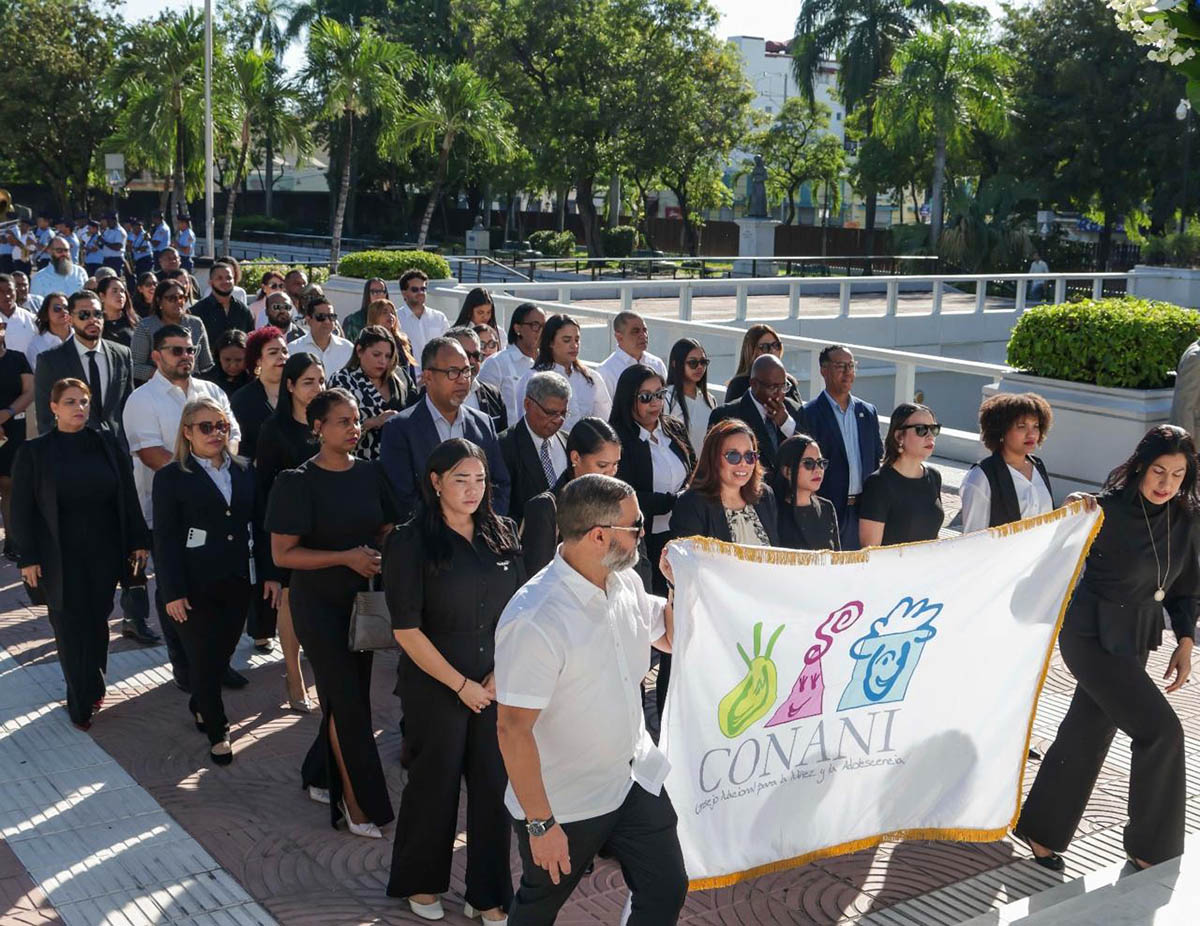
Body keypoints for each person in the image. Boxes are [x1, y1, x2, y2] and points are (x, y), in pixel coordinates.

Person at [495, 474, 687, 924]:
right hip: (566, 802)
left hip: (632, 780)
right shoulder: (536, 618)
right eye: (635, 525)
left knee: (665, 887)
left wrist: (676, 583)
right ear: (600, 535)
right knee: (537, 913)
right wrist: (541, 825)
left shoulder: (626, 583)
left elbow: (672, 638)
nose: (643, 531)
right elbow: (512, 729)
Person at [1015, 425, 1198, 872]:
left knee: (1088, 728)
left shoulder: (1186, 518)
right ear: (1139, 466)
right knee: (1162, 732)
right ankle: (1150, 848)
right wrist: (1072, 514)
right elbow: (1055, 545)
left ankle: (1042, 830)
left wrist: (1186, 642)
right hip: (1091, 636)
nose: (1165, 484)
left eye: (1177, 475)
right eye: (1158, 471)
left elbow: (1186, 587)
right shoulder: (1102, 511)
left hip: (1137, 635)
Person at [385, 439, 523, 922]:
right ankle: (421, 883)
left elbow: (520, 614)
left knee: (493, 790)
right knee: (433, 786)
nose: (472, 489)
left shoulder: (502, 533)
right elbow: (406, 629)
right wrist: (462, 686)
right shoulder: (408, 541)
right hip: (435, 686)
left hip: (496, 685)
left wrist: (498, 675)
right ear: (436, 482)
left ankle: (487, 894)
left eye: (480, 479)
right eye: (460, 479)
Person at [266, 388, 397, 837]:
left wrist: (381, 550)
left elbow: (386, 524)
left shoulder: (370, 473)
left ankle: (319, 774)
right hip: (318, 606)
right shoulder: (297, 482)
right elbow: (283, 555)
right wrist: (345, 557)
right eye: (342, 421)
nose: (353, 428)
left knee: (351, 697)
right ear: (317, 427)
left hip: (361, 603)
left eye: (356, 419)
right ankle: (358, 805)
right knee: (348, 703)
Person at [11, 378, 150, 730]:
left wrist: (138, 539)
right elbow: (21, 509)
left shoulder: (105, 444)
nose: (79, 408)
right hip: (58, 555)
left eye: (84, 401)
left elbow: (128, 496)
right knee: (69, 625)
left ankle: (94, 681)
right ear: (53, 408)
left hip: (104, 551)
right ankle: (80, 698)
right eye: (70, 402)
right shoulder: (35, 452)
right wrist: (28, 557)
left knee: (98, 620)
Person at [152, 398, 275, 765]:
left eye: (221, 425)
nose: (215, 433)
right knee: (204, 658)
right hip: (192, 586)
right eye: (205, 426)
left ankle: (199, 703)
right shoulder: (170, 477)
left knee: (220, 654)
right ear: (187, 433)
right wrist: (172, 591)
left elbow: (261, 525)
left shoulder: (245, 470)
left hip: (238, 581)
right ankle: (219, 729)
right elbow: (166, 539)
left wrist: (269, 575)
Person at [123, 325, 243, 691]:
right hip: (167, 512)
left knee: (220, 589)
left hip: (219, 511)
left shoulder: (213, 391)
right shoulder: (142, 399)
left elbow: (232, 438)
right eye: (176, 350)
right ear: (156, 356)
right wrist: (202, 482)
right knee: (174, 589)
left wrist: (219, 477)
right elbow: (151, 454)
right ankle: (185, 666)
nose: (185, 356)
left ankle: (218, 663)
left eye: (190, 350)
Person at [665, 419, 778, 716]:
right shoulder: (692, 504)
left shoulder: (765, 497)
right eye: (733, 456)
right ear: (714, 458)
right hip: (717, 628)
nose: (743, 464)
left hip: (762, 623)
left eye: (750, 456)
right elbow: (690, 573)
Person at [256, 353, 323, 712]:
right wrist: (269, 560)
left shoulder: (326, 423)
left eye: (321, 381)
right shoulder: (274, 429)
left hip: (325, 529)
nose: (317, 389)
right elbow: (263, 491)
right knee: (288, 604)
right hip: (287, 532)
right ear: (291, 386)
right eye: (309, 382)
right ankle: (294, 679)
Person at [381, 336, 511, 520]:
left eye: (466, 371)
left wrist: (479, 526)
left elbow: (499, 485)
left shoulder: (483, 424)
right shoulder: (400, 429)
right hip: (428, 539)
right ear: (428, 377)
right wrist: (449, 527)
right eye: (452, 372)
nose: (462, 380)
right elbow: (402, 498)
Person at [521, 417, 647, 582]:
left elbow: (641, 565)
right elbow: (539, 579)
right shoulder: (545, 508)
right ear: (575, 458)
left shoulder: (625, 500)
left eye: (615, 464)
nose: (611, 473)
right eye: (602, 465)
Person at [610, 363, 694, 596]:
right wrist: (675, 501)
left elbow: (694, 469)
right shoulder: (617, 439)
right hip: (645, 540)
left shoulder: (674, 428)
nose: (656, 403)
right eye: (646, 397)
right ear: (629, 399)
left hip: (683, 533)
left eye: (660, 394)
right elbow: (628, 495)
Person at [802, 345, 883, 550]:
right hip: (829, 508)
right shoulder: (809, 413)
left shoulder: (868, 411)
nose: (848, 372)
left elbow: (876, 458)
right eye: (840, 366)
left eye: (851, 366)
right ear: (824, 370)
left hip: (864, 511)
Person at [33, 290, 133, 442]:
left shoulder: (122, 354)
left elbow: (127, 405)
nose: (93, 320)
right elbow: (45, 417)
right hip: (71, 449)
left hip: (116, 450)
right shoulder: (50, 360)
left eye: (98, 314)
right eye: (84, 315)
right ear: (70, 319)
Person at [960, 392, 1055, 534]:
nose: (1031, 434)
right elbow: (972, 537)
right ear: (1001, 431)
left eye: (1036, 426)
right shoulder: (981, 476)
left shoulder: (1038, 466)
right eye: (1021, 426)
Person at [858, 403, 944, 547]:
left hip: (927, 566)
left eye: (934, 429)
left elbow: (933, 535)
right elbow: (870, 551)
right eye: (921, 430)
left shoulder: (934, 477)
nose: (930, 436)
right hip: (894, 568)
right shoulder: (878, 484)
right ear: (899, 436)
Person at [708, 354, 806, 476]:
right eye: (773, 387)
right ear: (754, 384)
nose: (779, 394)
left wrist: (786, 423)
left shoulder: (793, 409)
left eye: (783, 386)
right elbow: (713, 464)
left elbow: (810, 452)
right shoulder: (726, 415)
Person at [516, 314, 611, 434]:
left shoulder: (591, 377)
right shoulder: (532, 378)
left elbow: (605, 421)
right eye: (566, 340)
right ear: (550, 342)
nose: (574, 345)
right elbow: (522, 422)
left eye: (577, 340)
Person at [328, 326, 413, 460]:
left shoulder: (400, 377)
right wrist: (374, 422)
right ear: (359, 351)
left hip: (400, 462)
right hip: (361, 465)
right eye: (376, 354)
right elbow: (334, 431)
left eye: (388, 356)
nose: (383, 361)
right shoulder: (343, 380)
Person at [500, 371, 571, 526]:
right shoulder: (504, 447)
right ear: (527, 404)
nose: (558, 420)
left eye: (563, 413)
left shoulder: (569, 443)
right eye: (550, 413)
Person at [130, 279, 213, 384]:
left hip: (192, 386)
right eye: (172, 298)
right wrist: (167, 375)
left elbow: (206, 364)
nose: (179, 301)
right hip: (158, 387)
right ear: (159, 301)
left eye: (182, 297)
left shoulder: (196, 324)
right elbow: (135, 367)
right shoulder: (146, 326)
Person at [0, 314, 34, 559]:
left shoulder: (17, 359)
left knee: (10, 485)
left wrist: (8, 412)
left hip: (12, 427)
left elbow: (30, 391)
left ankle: (13, 541)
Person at [478, 302, 545, 425]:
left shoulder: (548, 364)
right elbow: (484, 411)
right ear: (517, 328)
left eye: (544, 326)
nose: (540, 331)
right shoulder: (496, 363)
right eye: (535, 325)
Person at [228, 327, 288, 459]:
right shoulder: (242, 400)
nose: (282, 356)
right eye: (273, 353)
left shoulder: (297, 392)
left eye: (284, 351)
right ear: (258, 360)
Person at [773, 434, 840, 551]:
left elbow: (837, 559)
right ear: (787, 471)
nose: (818, 470)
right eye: (808, 463)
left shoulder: (827, 508)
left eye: (821, 463)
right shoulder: (772, 510)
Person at [449, 325, 507, 434]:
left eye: (476, 355)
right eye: (465, 354)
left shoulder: (493, 395)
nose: (471, 361)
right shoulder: (432, 394)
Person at [663, 337, 714, 459]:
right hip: (679, 470)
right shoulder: (666, 398)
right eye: (693, 363)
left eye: (703, 362)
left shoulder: (709, 399)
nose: (699, 367)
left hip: (705, 471)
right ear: (675, 364)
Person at [724, 324, 802, 404]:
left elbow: (800, 414)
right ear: (751, 352)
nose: (773, 351)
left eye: (776, 345)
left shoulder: (789, 383)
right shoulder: (738, 385)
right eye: (765, 347)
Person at [596, 312, 667, 398]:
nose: (643, 335)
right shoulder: (606, 371)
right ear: (619, 337)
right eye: (635, 331)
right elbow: (604, 409)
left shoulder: (657, 364)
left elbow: (666, 401)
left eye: (645, 330)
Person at [191, 261, 253, 351]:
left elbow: (250, 339)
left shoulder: (243, 310)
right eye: (219, 278)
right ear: (210, 282)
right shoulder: (197, 311)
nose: (225, 281)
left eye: (229, 278)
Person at [397, 268, 449, 373]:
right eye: (415, 289)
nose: (420, 292)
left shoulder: (439, 318)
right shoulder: (396, 319)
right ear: (404, 293)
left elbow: (447, 349)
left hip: (437, 378)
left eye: (423, 289)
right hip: (408, 379)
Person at [292, 293, 352, 374]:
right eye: (321, 317)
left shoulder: (348, 349)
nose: (327, 321)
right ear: (308, 320)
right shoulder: (293, 349)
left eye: (331, 317)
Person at [25, 292, 71, 373]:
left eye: (66, 307)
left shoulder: (81, 336)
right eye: (57, 308)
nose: (64, 311)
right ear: (46, 314)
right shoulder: (36, 345)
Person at [203, 329, 252, 399]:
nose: (232, 366)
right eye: (227, 360)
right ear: (218, 357)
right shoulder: (206, 382)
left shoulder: (254, 382)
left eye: (238, 360)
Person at [0, 273, 39, 357]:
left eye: (9, 290)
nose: (7, 296)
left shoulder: (31, 319)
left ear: (16, 291)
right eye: (1, 292)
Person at [342, 278, 389, 342]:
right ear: (367, 294)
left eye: (382, 291)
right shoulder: (353, 321)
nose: (378, 295)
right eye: (374, 292)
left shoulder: (391, 319)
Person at [98, 276, 138, 349]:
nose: (120, 295)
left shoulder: (134, 320)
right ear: (102, 296)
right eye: (114, 291)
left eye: (122, 291)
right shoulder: (96, 323)